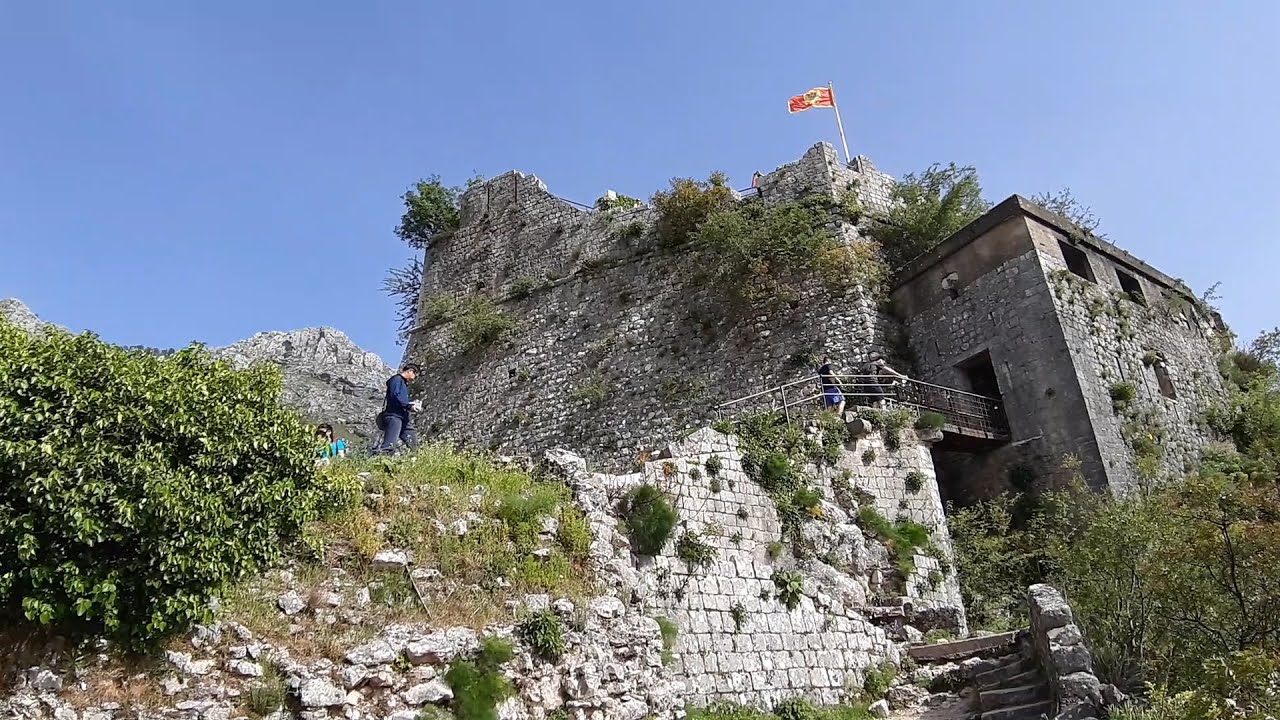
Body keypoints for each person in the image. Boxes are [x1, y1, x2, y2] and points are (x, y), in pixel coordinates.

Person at [375, 363, 423, 455]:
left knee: (412, 441)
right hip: (394, 416)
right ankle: (381, 462)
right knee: (389, 445)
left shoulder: (403, 384)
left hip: (402, 417)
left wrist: (410, 404)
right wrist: (409, 406)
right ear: (410, 371)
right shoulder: (396, 380)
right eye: (415, 376)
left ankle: (417, 458)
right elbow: (395, 396)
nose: (414, 379)